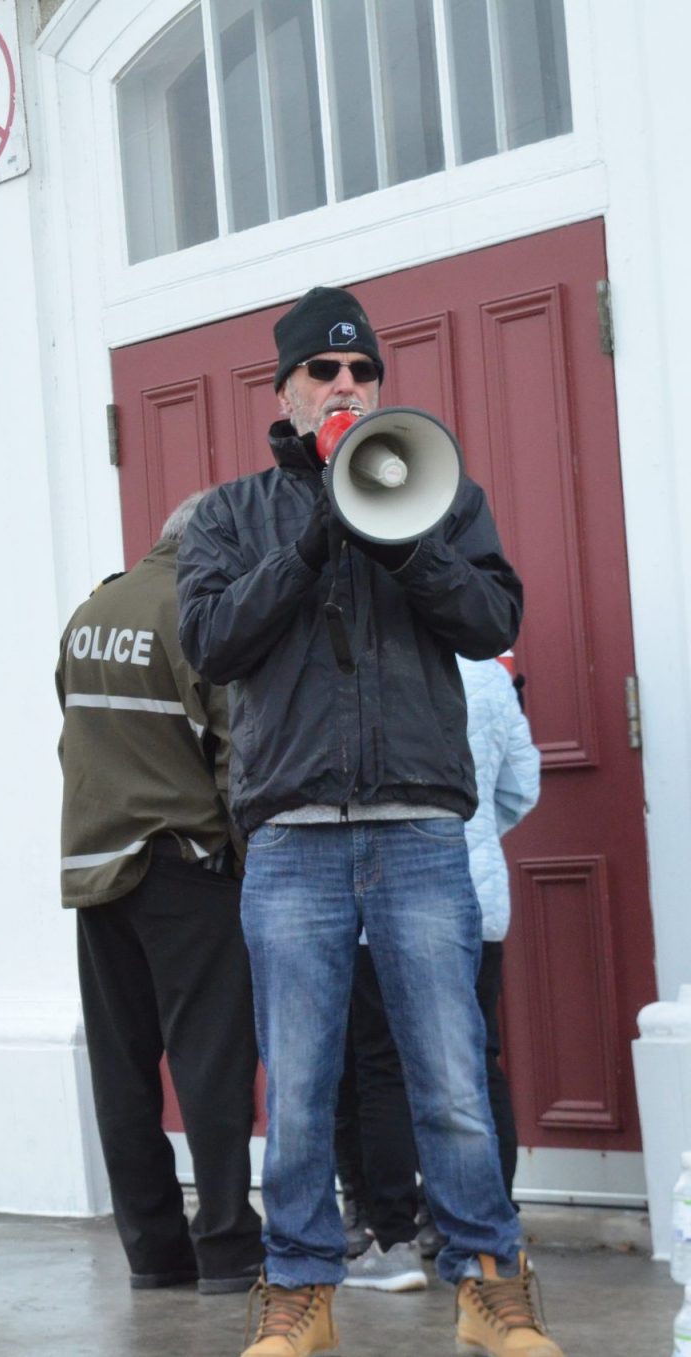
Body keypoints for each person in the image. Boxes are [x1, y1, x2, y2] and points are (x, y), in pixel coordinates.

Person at [175, 285, 559, 1357]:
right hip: (293, 832)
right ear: (286, 390)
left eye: (361, 373)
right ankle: (298, 1290)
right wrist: (308, 546)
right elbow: (207, 641)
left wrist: (400, 543)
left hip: (416, 828)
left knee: (448, 1078)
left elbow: (490, 618)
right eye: (323, 373)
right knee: (297, 1085)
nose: (344, 387)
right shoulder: (229, 515)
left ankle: (488, 1282)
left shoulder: (441, 494)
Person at [56, 491, 264, 1296]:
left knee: (123, 1069)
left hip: (97, 868)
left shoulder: (88, 613)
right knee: (211, 1066)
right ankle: (228, 1249)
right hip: (186, 866)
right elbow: (235, 758)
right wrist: (249, 864)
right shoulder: (197, 614)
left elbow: (71, 739)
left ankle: (152, 1249)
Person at [333, 652, 541, 1290]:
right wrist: (473, 838)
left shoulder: (370, 668)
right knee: (476, 1060)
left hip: (382, 897)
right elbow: (520, 787)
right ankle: (484, 1227)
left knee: (381, 1065)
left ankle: (389, 1236)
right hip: (475, 897)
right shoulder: (486, 676)